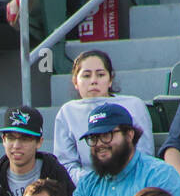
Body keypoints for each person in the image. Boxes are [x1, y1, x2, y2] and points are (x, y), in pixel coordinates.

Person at [53, 48, 155, 185]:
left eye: (100, 75)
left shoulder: (134, 104)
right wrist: (96, 183)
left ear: (110, 79)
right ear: (75, 82)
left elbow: (145, 154)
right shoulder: (67, 112)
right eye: (86, 76)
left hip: (132, 181)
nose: (94, 81)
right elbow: (66, 165)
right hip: (87, 186)